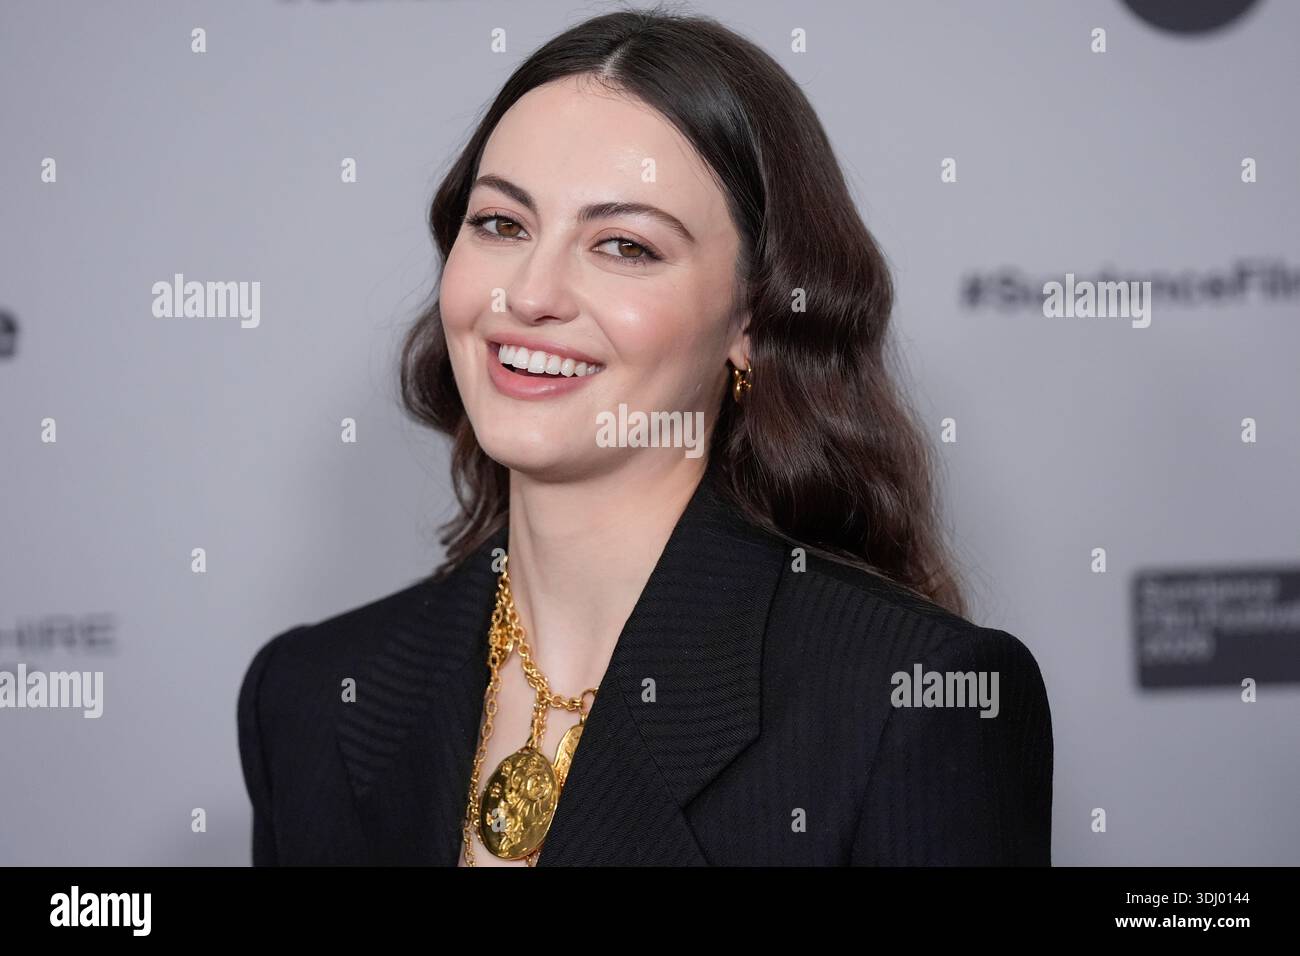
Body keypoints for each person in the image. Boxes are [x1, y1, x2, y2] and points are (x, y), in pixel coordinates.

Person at [237, 6, 1053, 866]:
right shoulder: (310, 698)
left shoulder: (911, 703)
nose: (532, 292)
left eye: (623, 245)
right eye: (502, 225)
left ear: (752, 318)